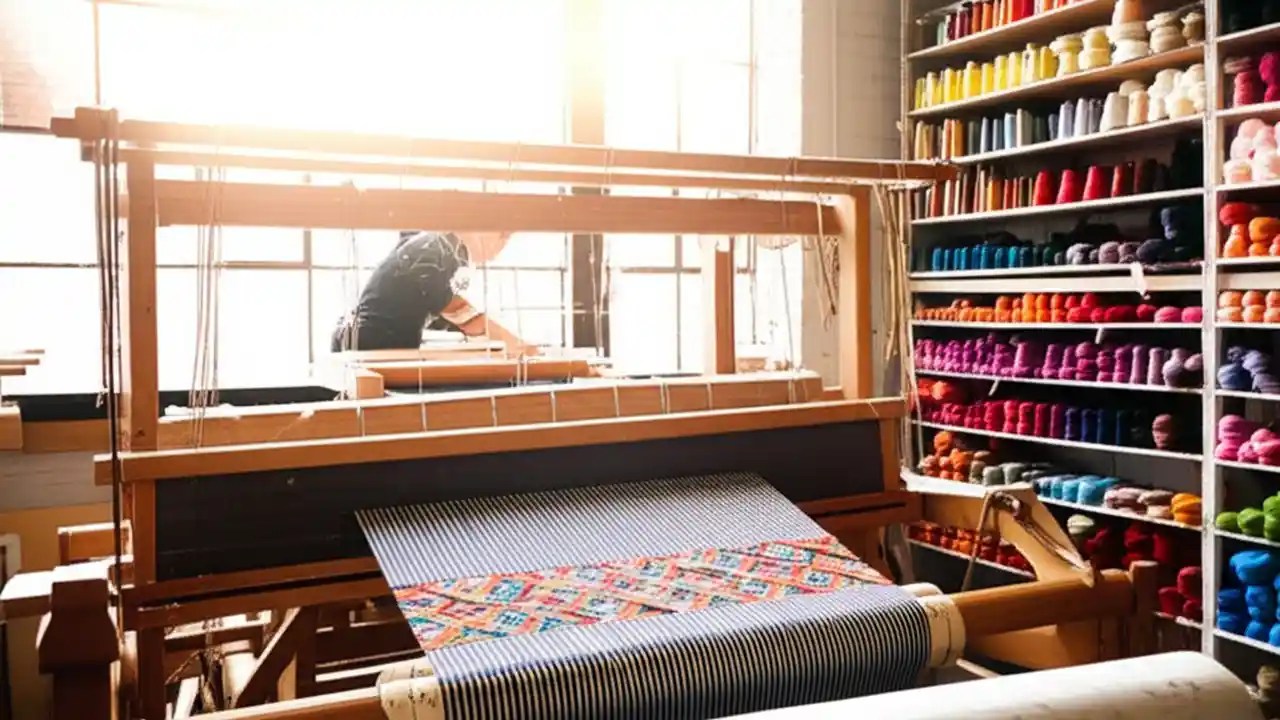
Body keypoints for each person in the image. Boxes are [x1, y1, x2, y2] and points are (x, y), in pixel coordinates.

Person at [330, 230, 537, 354]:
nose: (501, 246)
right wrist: (512, 343)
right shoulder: (437, 246)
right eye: (502, 236)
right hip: (366, 340)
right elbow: (455, 310)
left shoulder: (448, 253)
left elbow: (442, 311)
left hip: (386, 341)